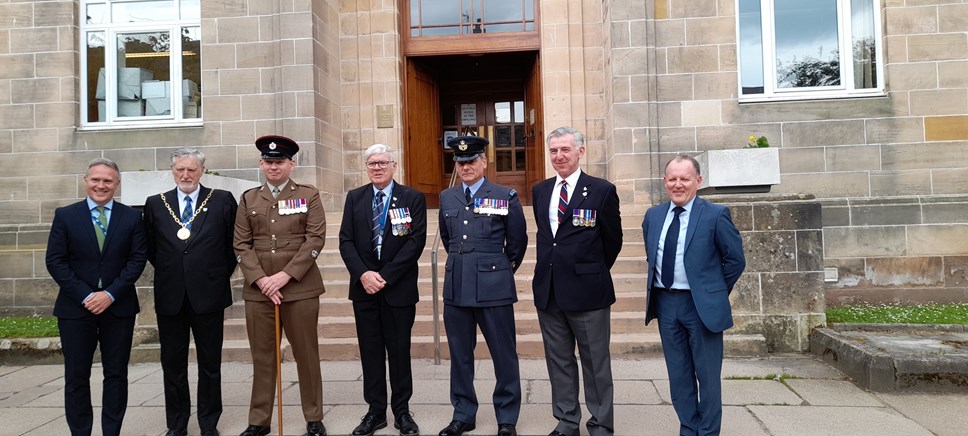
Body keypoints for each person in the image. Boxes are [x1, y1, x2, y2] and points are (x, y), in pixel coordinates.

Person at [642, 154, 746, 436]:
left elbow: (735, 260)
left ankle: (708, 432)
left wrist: (712, 291)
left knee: (708, 377)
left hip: (701, 307)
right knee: (679, 376)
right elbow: (652, 255)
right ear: (665, 182)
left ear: (698, 181)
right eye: (672, 179)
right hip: (666, 305)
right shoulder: (653, 216)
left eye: (684, 179)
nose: (678, 185)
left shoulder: (715, 215)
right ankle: (688, 429)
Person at [531, 126, 623, 436]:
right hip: (549, 290)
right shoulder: (540, 190)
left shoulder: (601, 190)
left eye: (565, 149)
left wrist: (590, 269)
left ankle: (600, 423)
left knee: (595, 362)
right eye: (554, 150)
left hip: (588, 292)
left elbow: (613, 241)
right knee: (559, 362)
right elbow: (549, 239)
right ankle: (567, 421)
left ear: (580, 151)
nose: (559, 156)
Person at [46, 158, 148, 436]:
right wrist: (87, 295)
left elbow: (137, 260)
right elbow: (56, 261)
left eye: (107, 181)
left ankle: (111, 431)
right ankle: (80, 432)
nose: (101, 185)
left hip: (119, 308)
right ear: (86, 180)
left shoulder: (131, 217)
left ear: (117, 184)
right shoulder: (65, 215)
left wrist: (111, 294)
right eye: (96, 180)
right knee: (77, 376)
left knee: (116, 375)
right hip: (75, 310)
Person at [234, 135, 327, 436]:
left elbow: (315, 239)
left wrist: (284, 276)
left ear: (291, 164)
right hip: (259, 289)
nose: (274, 166)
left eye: (280, 162)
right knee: (263, 356)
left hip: (299, 287)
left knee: (306, 354)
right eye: (268, 162)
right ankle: (259, 420)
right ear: (261, 164)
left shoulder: (308, 194)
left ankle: (313, 416)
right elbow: (241, 244)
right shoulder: (249, 198)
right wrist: (261, 279)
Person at [143, 148, 238, 436]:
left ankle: (209, 423)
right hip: (171, 296)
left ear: (202, 171)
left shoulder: (222, 200)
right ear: (172, 171)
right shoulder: (155, 204)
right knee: (173, 364)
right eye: (180, 170)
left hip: (208, 294)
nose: (186, 175)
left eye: (192, 170)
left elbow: (232, 246)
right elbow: (151, 248)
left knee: (210, 364)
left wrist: (213, 275)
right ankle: (177, 424)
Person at [437, 136, 527, 436]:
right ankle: (463, 414)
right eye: (460, 163)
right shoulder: (447, 198)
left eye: (471, 161)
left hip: (494, 285)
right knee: (460, 354)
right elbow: (449, 240)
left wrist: (500, 269)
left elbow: (517, 242)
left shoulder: (505, 195)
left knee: (503, 353)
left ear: (484, 162)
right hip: (457, 285)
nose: (465, 167)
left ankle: (506, 417)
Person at [338, 144, 426, 436]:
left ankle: (402, 412)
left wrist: (384, 276)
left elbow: (416, 242)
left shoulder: (412, 197)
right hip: (364, 290)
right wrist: (364, 274)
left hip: (397, 289)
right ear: (367, 167)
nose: (377, 167)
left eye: (383, 163)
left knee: (399, 352)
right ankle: (375, 412)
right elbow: (345, 241)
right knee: (371, 352)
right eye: (372, 163)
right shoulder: (355, 198)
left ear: (394, 165)